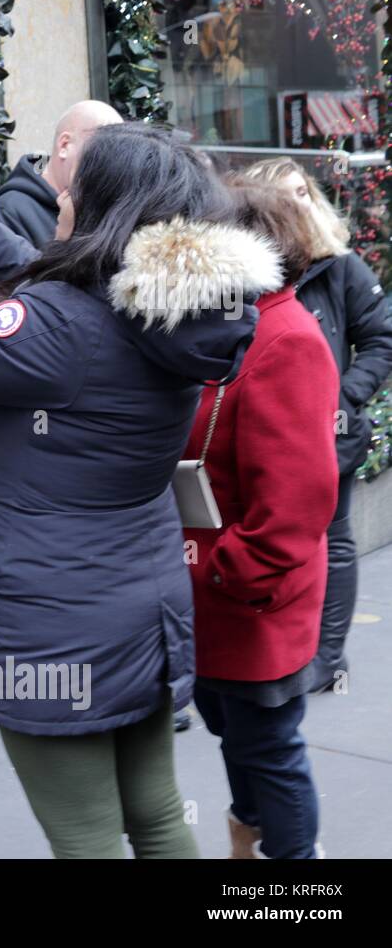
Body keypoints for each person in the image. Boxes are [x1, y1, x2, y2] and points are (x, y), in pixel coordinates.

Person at [0, 122, 276, 858]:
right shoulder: (171, 311)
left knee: (86, 839)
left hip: (55, 629)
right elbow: (74, 306)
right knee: (156, 817)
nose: (59, 196)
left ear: (103, 210)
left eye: (74, 188)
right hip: (143, 610)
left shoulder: (64, 328)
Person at [186, 176, 339, 859]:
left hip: (251, 601)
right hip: (218, 597)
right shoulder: (235, 326)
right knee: (240, 739)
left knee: (270, 750)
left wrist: (226, 574)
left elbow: (296, 502)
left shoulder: (285, 339)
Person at [242, 158, 392, 692]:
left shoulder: (341, 266)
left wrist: (344, 397)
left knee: (334, 538)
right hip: (259, 436)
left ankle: (327, 658)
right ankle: (271, 651)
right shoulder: (244, 274)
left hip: (331, 434)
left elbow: (382, 337)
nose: (299, 203)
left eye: (304, 192)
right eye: (285, 196)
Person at [0, 100, 123, 248]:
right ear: (64, 145)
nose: (111, 162)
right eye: (102, 149)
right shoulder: (10, 211)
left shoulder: (104, 204)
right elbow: (15, 269)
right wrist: (63, 241)